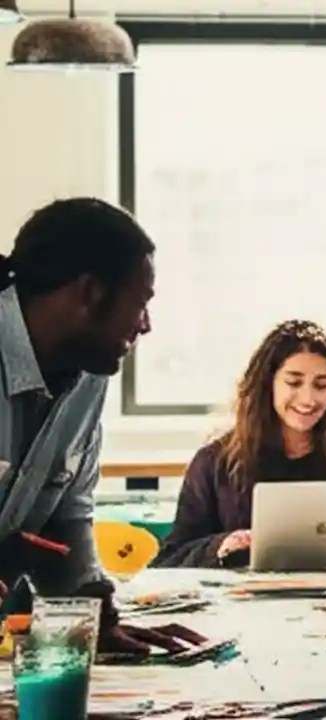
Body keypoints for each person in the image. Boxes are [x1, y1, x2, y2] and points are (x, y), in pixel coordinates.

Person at [0, 197, 205, 654]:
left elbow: (65, 513)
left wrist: (96, 617)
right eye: (140, 302)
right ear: (90, 293)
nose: (145, 325)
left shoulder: (88, 370)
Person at [155, 320, 326, 568]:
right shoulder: (215, 462)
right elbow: (169, 560)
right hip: (239, 592)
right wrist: (221, 545)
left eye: (321, 385)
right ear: (267, 385)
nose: (309, 399)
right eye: (294, 383)